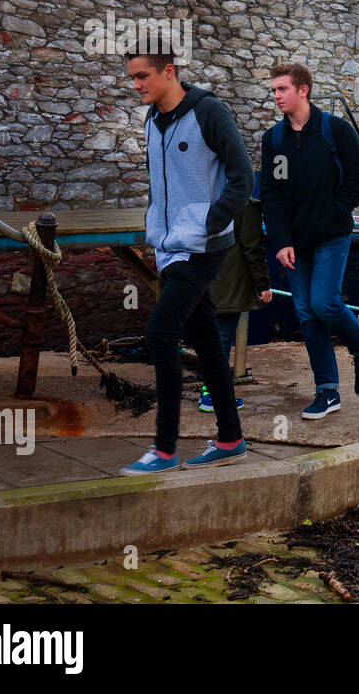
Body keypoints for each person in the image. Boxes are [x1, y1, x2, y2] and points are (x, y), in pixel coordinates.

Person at [121, 38, 252, 475]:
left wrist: (210, 222)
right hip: (169, 245)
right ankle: (231, 438)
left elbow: (242, 176)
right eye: (132, 77)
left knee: (160, 334)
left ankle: (164, 448)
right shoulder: (152, 119)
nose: (136, 84)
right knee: (207, 338)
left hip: (205, 245)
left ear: (168, 72)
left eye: (142, 76)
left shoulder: (208, 112)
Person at [259, 63, 359, 420]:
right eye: (274, 90)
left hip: (331, 236)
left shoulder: (333, 130)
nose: (277, 96)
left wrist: (335, 210)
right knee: (307, 314)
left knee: (324, 305)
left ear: (303, 90)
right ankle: (327, 391)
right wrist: (280, 241)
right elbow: (272, 194)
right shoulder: (274, 140)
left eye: (282, 89)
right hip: (294, 243)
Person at [200, 189, 272, 412]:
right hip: (229, 283)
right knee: (221, 338)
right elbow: (252, 248)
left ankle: (209, 391)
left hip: (199, 279)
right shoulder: (245, 205)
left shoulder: (201, 199)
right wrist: (263, 285)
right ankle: (214, 396)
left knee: (210, 338)